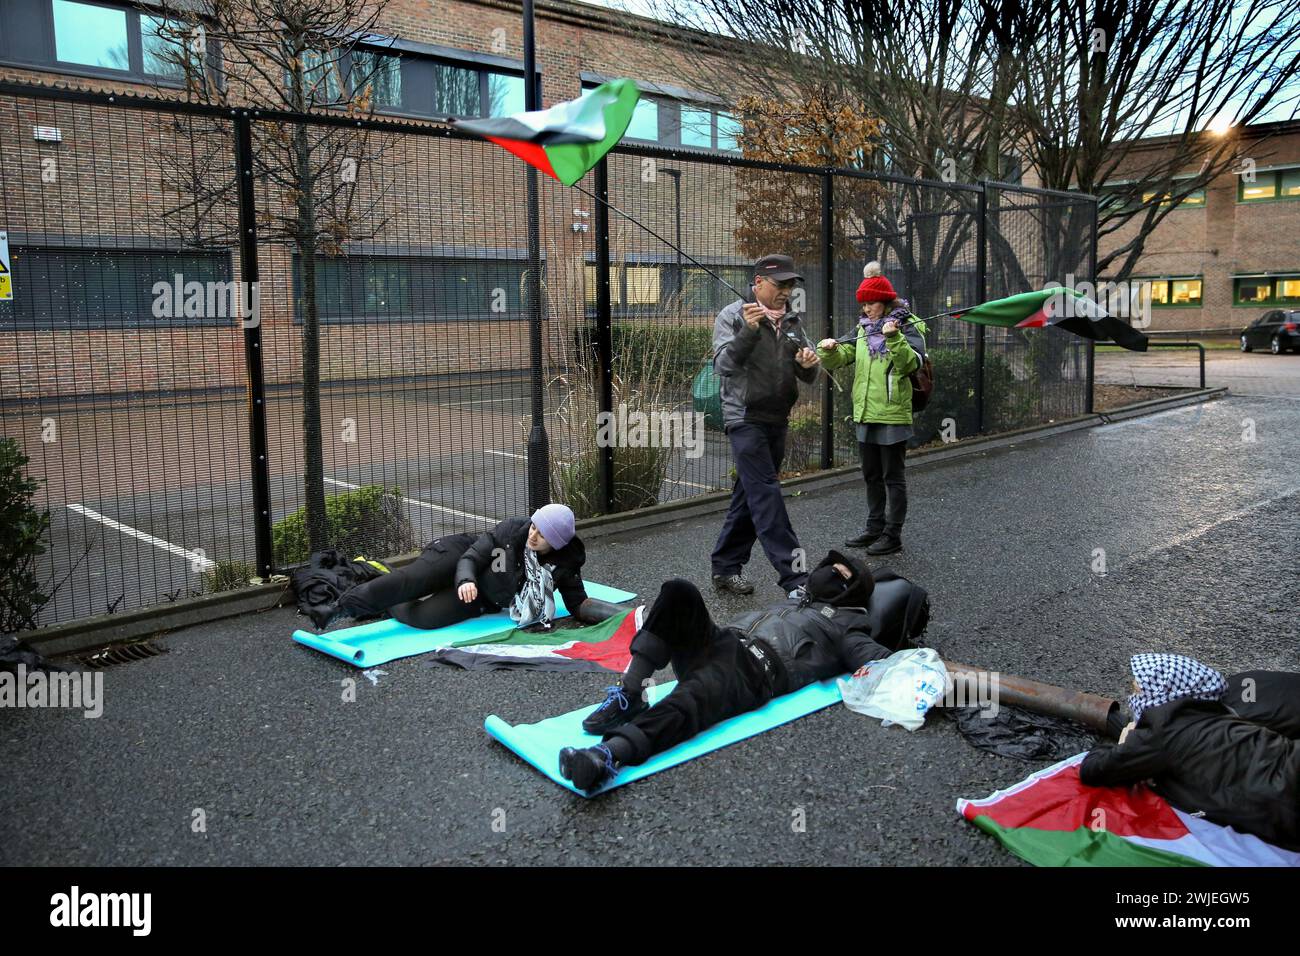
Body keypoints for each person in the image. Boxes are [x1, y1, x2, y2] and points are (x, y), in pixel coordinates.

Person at [558, 550, 929, 792]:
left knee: (689, 699)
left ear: (850, 592)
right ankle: (630, 694)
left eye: (841, 574)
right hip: (722, 641)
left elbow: (884, 663)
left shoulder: (848, 625)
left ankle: (609, 756)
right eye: (829, 566)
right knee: (678, 591)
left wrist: (937, 674)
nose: (829, 573)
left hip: (752, 670)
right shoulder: (800, 599)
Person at [1080, 654, 1300, 851]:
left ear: (1161, 694)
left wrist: (1122, 742)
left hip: (1286, 801)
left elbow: (1093, 769)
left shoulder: (1159, 734)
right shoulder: (1216, 711)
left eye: (1138, 690)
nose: (1133, 697)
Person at [711, 253, 821, 598]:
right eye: (780, 283)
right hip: (744, 418)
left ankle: (726, 566)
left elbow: (810, 373)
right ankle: (796, 579)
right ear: (758, 282)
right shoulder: (732, 316)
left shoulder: (791, 322)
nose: (786, 291)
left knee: (750, 496)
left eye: (791, 284)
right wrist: (749, 331)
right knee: (767, 496)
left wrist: (808, 363)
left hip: (778, 418)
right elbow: (723, 366)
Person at [323, 504, 588, 631]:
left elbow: (578, 602)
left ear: (557, 543)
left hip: (482, 595)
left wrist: (622, 618)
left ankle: (385, 600)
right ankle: (339, 608)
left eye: (542, 535)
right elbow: (472, 558)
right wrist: (465, 581)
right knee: (411, 583)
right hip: (458, 556)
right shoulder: (511, 533)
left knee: (423, 618)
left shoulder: (564, 562)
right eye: (534, 526)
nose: (533, 535)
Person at [817, 261, 927, 556]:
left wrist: (894, 336)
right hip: (865, 412)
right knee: (871, 475)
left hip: (892, 413)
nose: (866, 309)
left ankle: (893, 535)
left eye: (872, 303)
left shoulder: (907, 325)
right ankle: (873, 527)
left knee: (893, 477)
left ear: (887, 301)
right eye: (863, 304)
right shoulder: (862, 329)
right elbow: (842, 356)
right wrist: (827, 349)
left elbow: (911, 363)